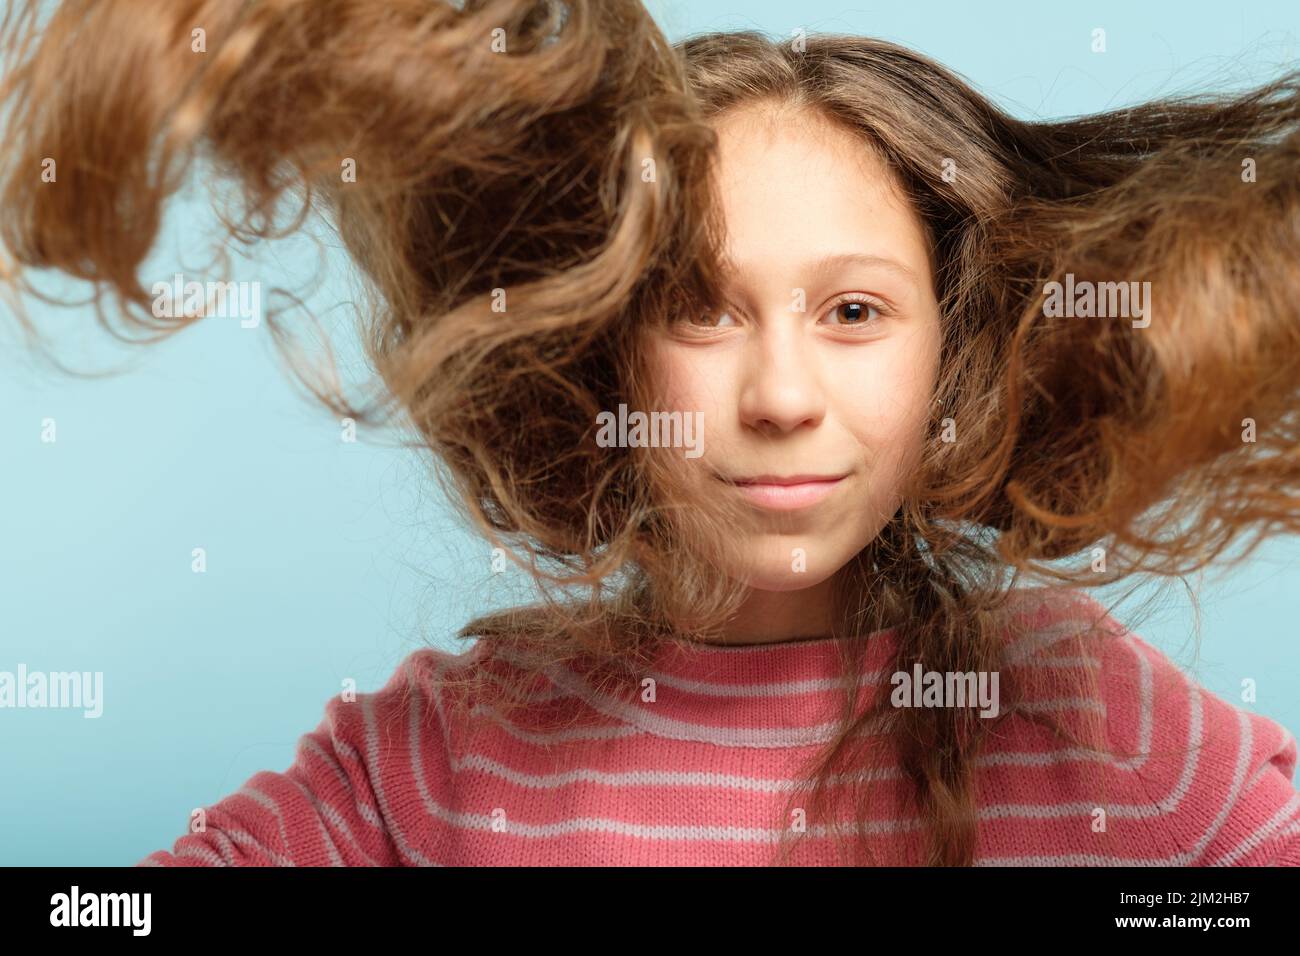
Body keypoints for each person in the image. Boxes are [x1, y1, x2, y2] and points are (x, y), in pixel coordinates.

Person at [2, 0, 1298, 866]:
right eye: (701, 309)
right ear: (604, 342)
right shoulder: (441, 747)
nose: (781, 395)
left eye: (853, 310)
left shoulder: (1079, 708)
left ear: (951, 348)